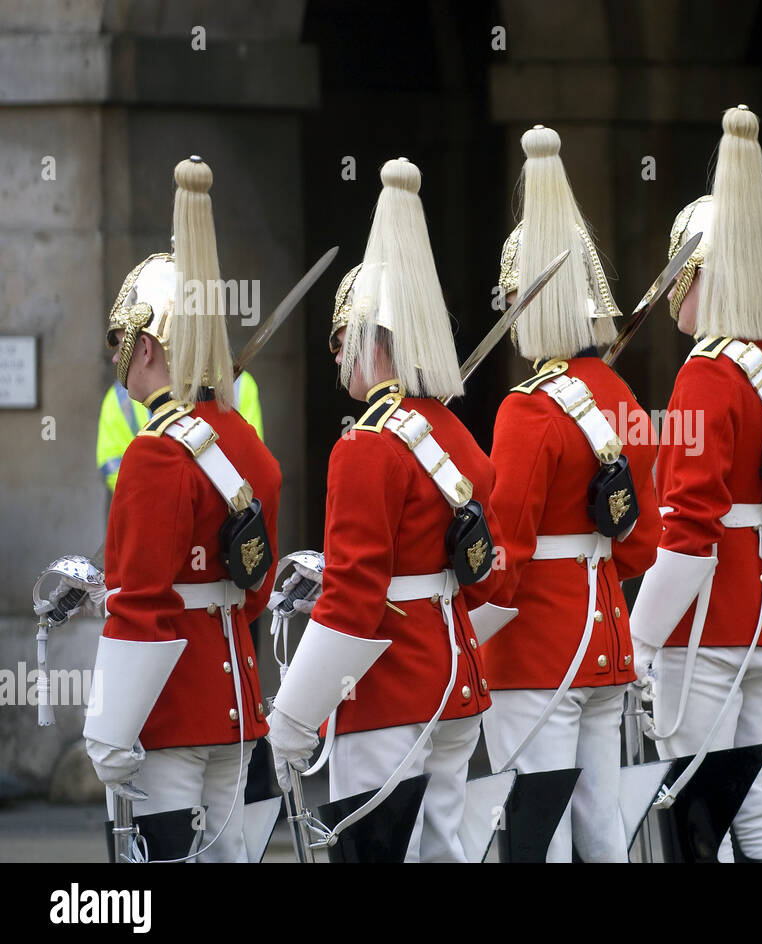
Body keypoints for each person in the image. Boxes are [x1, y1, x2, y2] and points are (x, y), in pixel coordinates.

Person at [267, 158, 501, 863]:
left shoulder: (365, 448)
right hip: (456, 688)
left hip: (389, 698)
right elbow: (491, 575)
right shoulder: (453, 432)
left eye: (341, 338)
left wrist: (292, 717)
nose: (336, 354)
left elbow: (353, 600)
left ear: (369, 337)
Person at [84, 156, 282, 862]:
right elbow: (254, 584)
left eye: (121, 344)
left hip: (168, 716)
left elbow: (139, 604)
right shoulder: (249, 448)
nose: (119, 360)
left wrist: (109, 730)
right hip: (236, 704)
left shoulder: (153, 454)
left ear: (146, 346)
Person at [473, 125, 659, 862]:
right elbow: (638, 544)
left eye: (511, 296)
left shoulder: (527, 410)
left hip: (537, 652)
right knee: (601, 828)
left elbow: (506, 553)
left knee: (536, 837)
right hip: (605, 642)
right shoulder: (624, 402)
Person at [629, 105, 762, 863]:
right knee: (755, 807)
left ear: (697, 272)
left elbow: (690, 532)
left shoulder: (706, 374)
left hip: (706, 632)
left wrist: (640, 636)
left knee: (697, 813)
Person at [97, 373, 263, 493]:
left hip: (225, 511)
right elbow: (111, 463)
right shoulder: (119, 397)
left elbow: (252, 459)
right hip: (153, 512)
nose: (116, 357)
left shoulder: (241, 384)